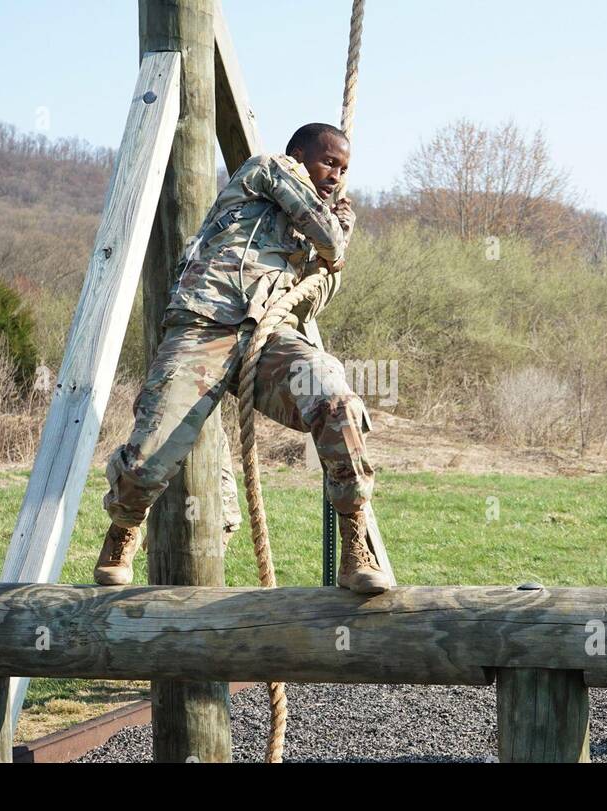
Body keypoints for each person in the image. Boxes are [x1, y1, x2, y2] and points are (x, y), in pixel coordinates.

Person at [96, 122, 390, 595]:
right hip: (206, 324)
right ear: (299, 154)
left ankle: (355, 540)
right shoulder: (268, 170)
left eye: (344, 168)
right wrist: (338, 237)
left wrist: (327, 259)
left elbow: (310, 301)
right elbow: (330, 238)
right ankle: (125, 525)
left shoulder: (309, 231)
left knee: (336, 401)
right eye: (328, 162)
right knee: (151, 453)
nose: (336, 175)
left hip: (267, 337)